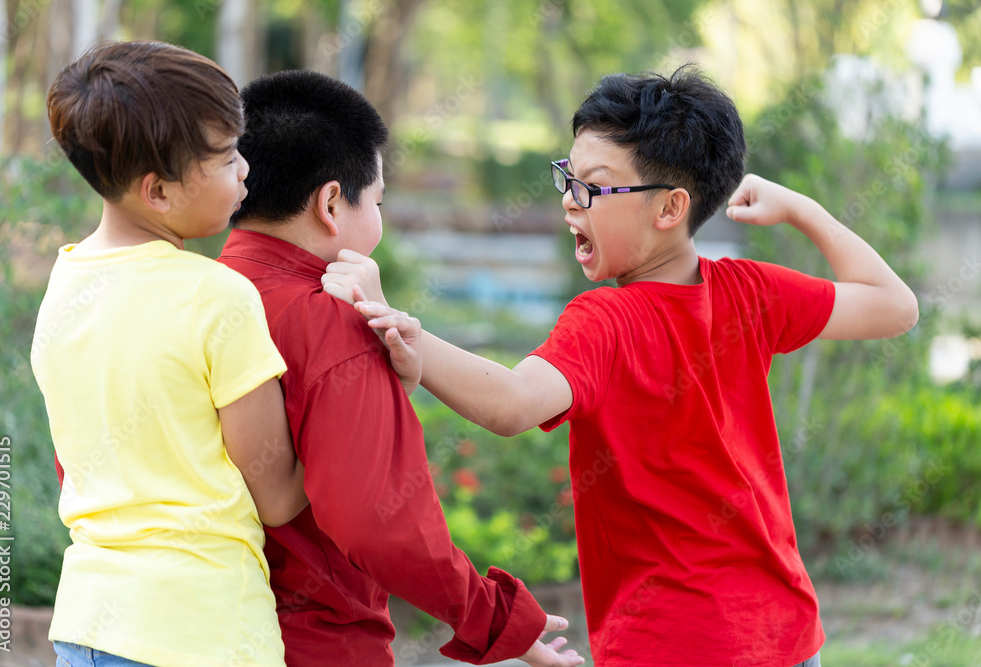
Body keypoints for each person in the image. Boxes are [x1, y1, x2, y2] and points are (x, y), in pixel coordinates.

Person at [326, 67, 920, 666]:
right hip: (788, 635)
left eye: (592, 186)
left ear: (669, 208)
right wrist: (802, 210)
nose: (568, 199)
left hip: (672, 645)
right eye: (568, 176)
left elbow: (512, 404)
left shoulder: (607, 321)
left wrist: (408, 334)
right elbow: (896, 306)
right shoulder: (750, 292)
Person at [216, 69, 583, 667]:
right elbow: (379, 521)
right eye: (378, 201)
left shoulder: (192, 294)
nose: (380, 219)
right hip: (315, 642)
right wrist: (501, 624)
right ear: (331, 203)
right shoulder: (330, 319)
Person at [32, 41, 307, 667]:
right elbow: (278, 495)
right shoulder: (217, 296)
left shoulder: (64, 284)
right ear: (157, 191)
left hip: (86, 624)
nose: (245, 171)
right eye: (226, 158)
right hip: (200, 631)